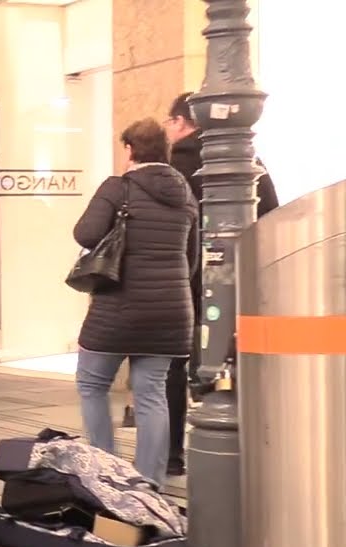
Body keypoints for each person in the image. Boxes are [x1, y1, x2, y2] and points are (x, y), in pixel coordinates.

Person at [73, 118, 198, 484]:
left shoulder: (118, 187)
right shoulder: (185, 193)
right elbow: (191, 260)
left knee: (92, 383)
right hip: (171, 311)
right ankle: (149, 484)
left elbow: (85, 233)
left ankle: (106, 475)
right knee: (152, 393)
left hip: (118, 308)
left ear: (130, 149)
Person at [161, 91, 279, 475]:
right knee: (240, 361)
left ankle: (173, 454)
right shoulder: (252, 162)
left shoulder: (174, 167)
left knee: (176, 368)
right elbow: (272, 215)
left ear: (181, 122)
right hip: (243, 283)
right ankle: (257, 441)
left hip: (185, 284)